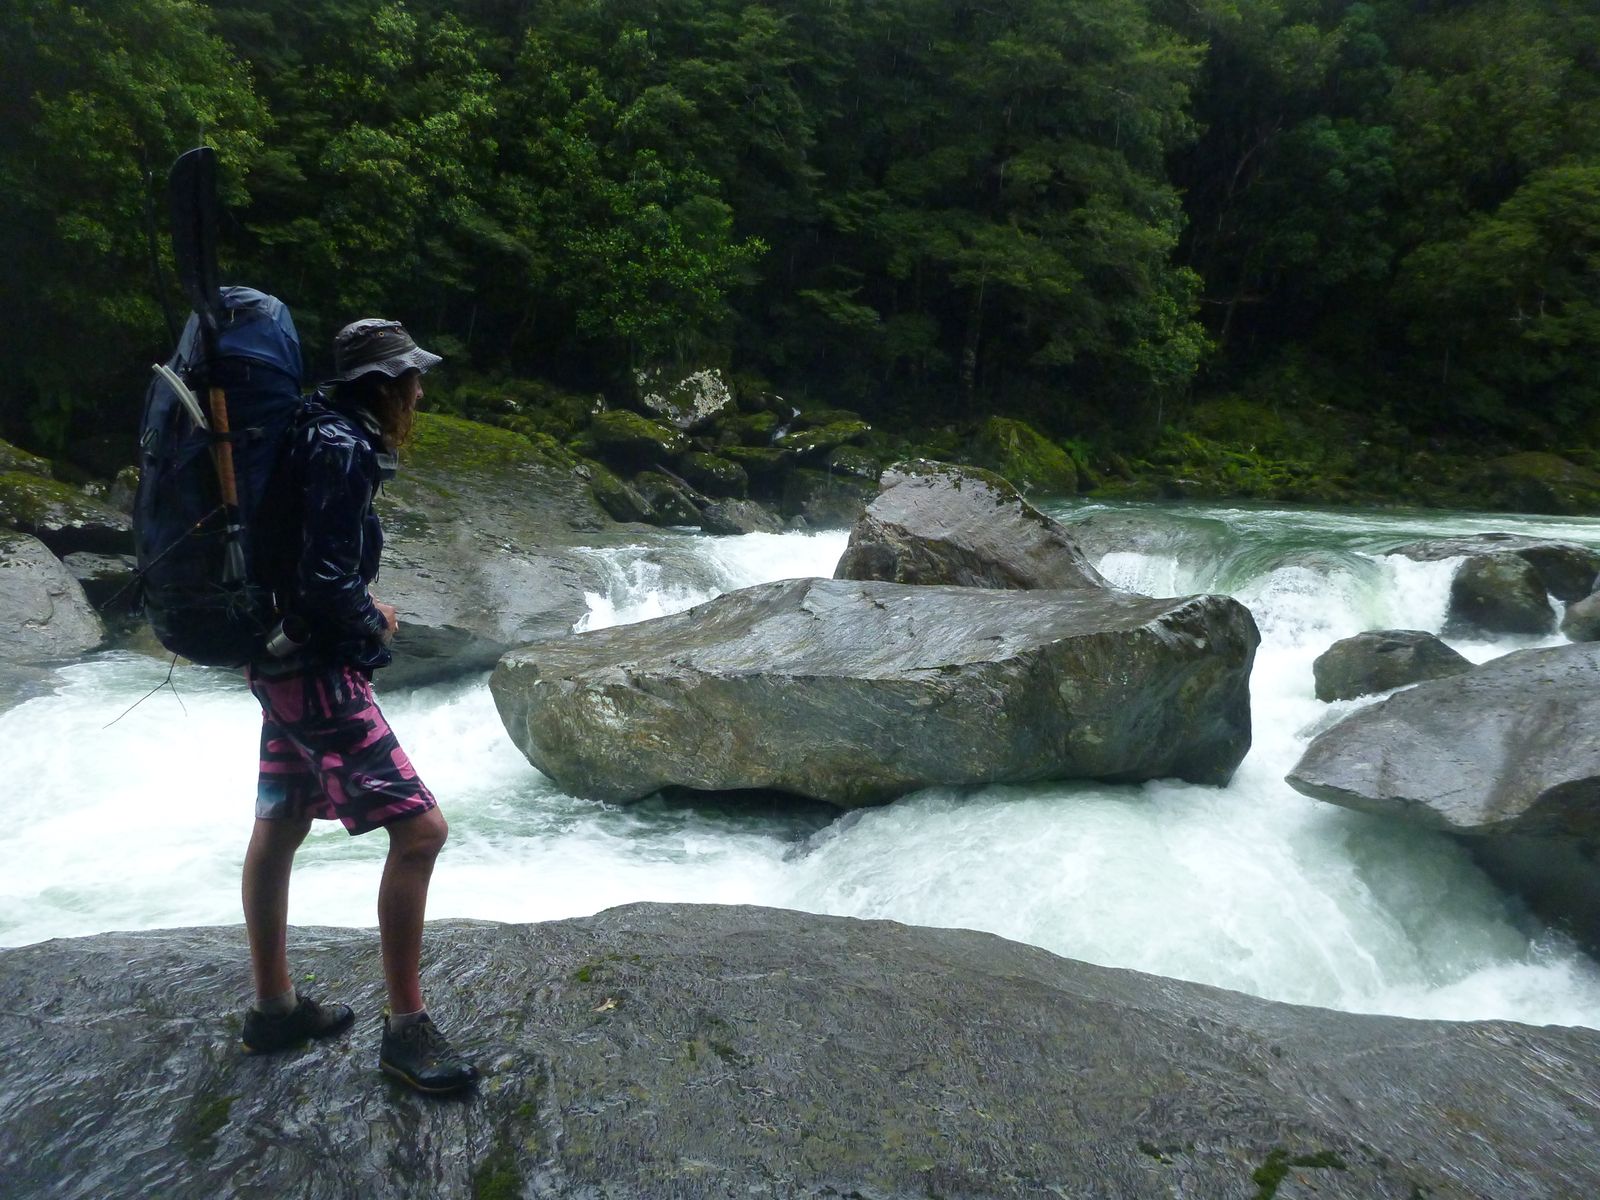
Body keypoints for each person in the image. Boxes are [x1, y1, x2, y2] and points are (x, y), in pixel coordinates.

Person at [236, 318, 477, 1095]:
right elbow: (326, 586)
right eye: (412, 376)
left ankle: (275, 1008)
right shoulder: (342, 449)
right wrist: (376, 620)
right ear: (385, 383)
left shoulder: (307, 426)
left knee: (281, 821)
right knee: (421, 833)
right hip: (315, 669)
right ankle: (406, 1030)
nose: (420, 389)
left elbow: (302, 566)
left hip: (276, 658)